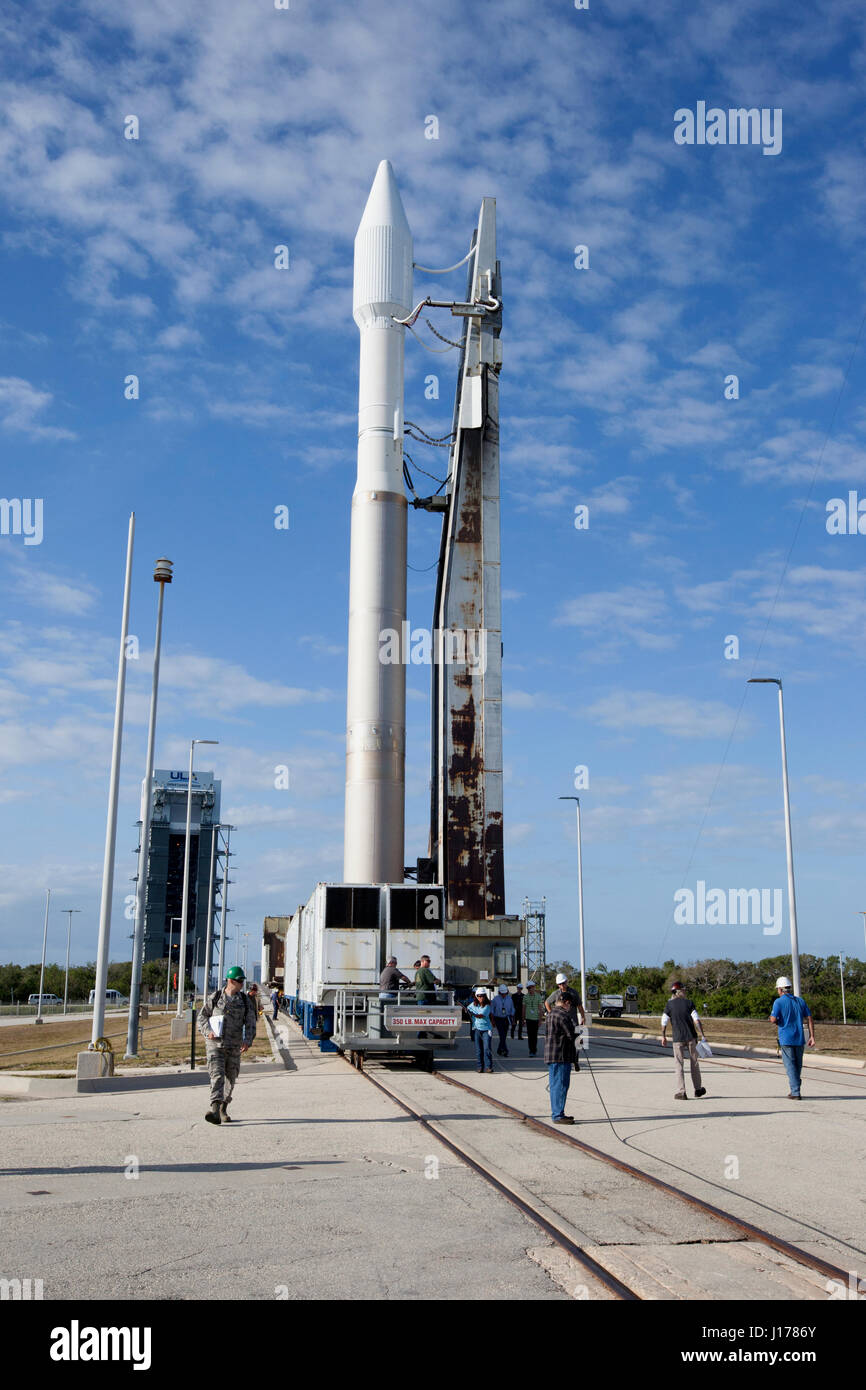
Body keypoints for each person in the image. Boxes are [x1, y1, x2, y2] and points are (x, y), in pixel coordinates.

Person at [199, 966, 257, 1124]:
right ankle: (215, 1111)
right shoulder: (216, 997)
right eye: (239, 981)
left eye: (242, 981)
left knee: (231, 1079)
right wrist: (208, 1031)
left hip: (234, 1046)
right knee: (217, 1076)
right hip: (215, 1045)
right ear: (231, 981)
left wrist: (248, 1040)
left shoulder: (244, 1000)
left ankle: (224, 1108)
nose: (241, 984)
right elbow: (202, 1017)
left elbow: (251, 1023)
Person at [769, 976, 815, 1099]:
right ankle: (795, 1087)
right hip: (799, 1038)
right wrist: (812, 1036)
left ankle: (795, 1092)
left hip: (786, 1038)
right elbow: (809, 1018)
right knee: (797, 1065)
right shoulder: (800, 1001)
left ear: (780, 989)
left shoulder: (778, 1002)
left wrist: (777, 1021)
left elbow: (773, 1019)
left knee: (790, 1065)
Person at [660, 982, 707, 1100]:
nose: (685, 991)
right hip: (691, 1037)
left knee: (679, 1065)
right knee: (694, 1063)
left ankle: (682, 1092)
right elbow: (697, 1020)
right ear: (678, 991)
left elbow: (664, 1022)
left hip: (677, 1039)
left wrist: (663, 1036)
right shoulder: (689, 1003)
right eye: (683, 990)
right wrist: (703, 1035)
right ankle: (697, 1090)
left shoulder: (669, 1005)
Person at [545, 996, 577, 1123]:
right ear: (567, 1003)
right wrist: (580, 1036)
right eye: (570, 1006)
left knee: (554, 1086)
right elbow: (571, 1035)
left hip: (551, 1055)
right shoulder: (563, 1015)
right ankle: (558, 1115)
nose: (570, 1008)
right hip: (561, 1055)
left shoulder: (551, 1013)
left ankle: (557, 1112)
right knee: (561, 1085)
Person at [544, 973, 586, 1069]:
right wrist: (552, 1013)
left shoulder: (573, 993)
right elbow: (547, 1002)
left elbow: (580, 1006)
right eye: (560, 984)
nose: (562, 985)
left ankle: (575, 1060)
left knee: (577, 1041)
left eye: (563, 983)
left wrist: (583, 1017)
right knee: (564, 1041)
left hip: (572, 1021)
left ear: (567, 982)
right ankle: (567, 1059)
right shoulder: (556, 994)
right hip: (561, 1022)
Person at [467, 988, 493, 1072]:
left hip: (486, 1030)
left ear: (485, 996)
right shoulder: (473, 1005)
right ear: (476, 997)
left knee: (487, 1049)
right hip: (477, 1030)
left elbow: (480, 1015)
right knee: (479, 1050)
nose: (481, 998)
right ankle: (480, 1067)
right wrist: (466, 1010)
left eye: (482, 996)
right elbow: (468, 1009)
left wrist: (472, 1013)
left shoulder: (487, 1006)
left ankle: (488, 1067)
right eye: (479, 996)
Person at [414, 955, 440, 1038]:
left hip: (421, 998)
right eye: (428, 961)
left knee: (422, 1018)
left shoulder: (418, 971)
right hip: (426, 998)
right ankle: (421, 1037)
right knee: (425, 1018)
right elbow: (434, 981)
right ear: (423, 961)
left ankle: (422, 1036)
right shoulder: (425, 970)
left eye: (430, 961)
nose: (429, 963)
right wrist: (439, 981)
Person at [489, 984, 515, 1056]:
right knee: (502, 1035)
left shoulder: (509, 999)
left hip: (506, 1018)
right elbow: (492, 1011)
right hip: (498, 1019)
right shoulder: (495, 999)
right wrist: (493, 1021)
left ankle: (499, 1049)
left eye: (505, 993)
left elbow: (512, 1009)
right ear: (499, 992)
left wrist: (513, 1020)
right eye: (502, 993)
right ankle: (505, 1050)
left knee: (504, 1035)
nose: (503, 995)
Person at [523, 980, 543, 1056]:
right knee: (530, 1036)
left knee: (534, 1036)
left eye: (531, 987)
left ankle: (534, 1050)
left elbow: (540, 1009)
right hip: (528, 1019)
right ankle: (531, 1050)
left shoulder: (538, 996)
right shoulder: (525, 997)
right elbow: (523, 1008)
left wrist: (540, 1020)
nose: (529, 989)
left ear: (534, 987)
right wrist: (523, 1019)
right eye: (528, 988)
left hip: (536, 1019)